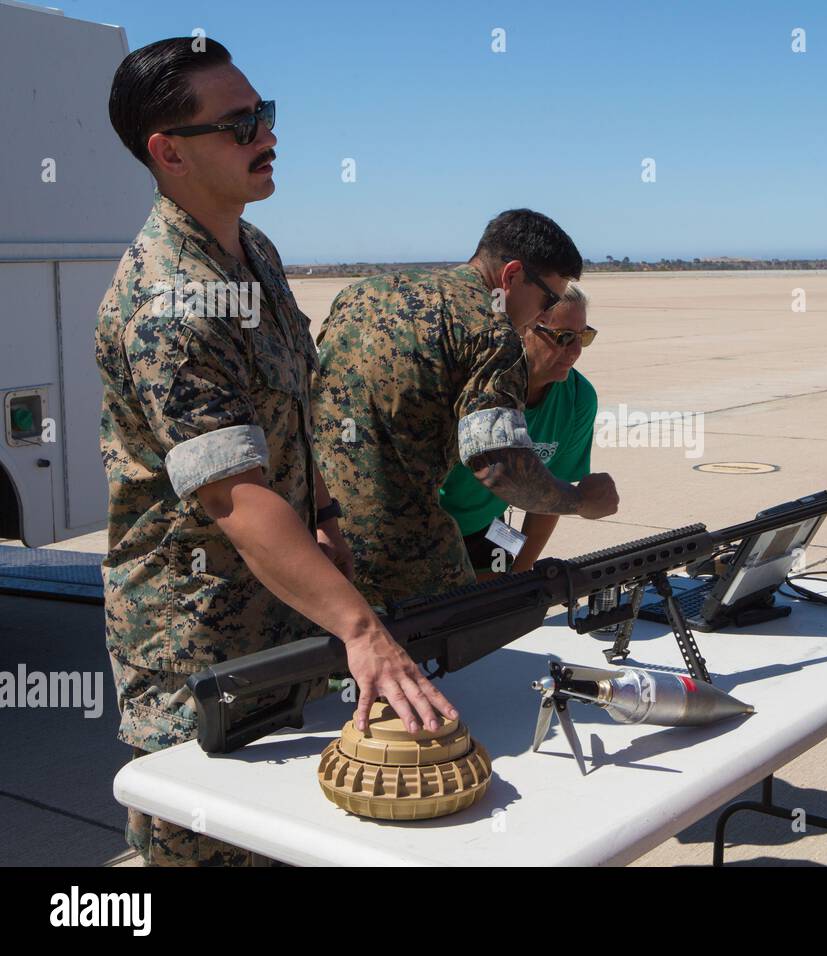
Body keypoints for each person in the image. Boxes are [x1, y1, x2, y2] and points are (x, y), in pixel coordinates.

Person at [97, 39, 454, 866]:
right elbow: (232, 496)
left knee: (295, 842)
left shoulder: (254, 256)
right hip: (197, 641)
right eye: (241, 123)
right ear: (169, 151)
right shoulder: (170, 302)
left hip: (286, 610)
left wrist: (325, 513)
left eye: (268, 114)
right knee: (208, 845)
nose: (268, 134)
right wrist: (364, 632)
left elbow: (295, 416)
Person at [312, 210, 619, 610]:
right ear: (510, 277)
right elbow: (498, 467)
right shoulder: (491, 334)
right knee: (459, 636)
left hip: (317, 532)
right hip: (403, 548)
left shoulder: (363, 293)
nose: (542, 311)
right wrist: (580, 501)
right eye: (548, 298)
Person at [440, 283, 600, 577]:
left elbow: (549, 499)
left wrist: (521, 576)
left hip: (485, 526)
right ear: (521, 331)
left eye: (583, 337)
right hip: (422, 528)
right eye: (563, 337)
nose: (576, 351)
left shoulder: (579, 398)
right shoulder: (476, 387)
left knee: (494, 612)